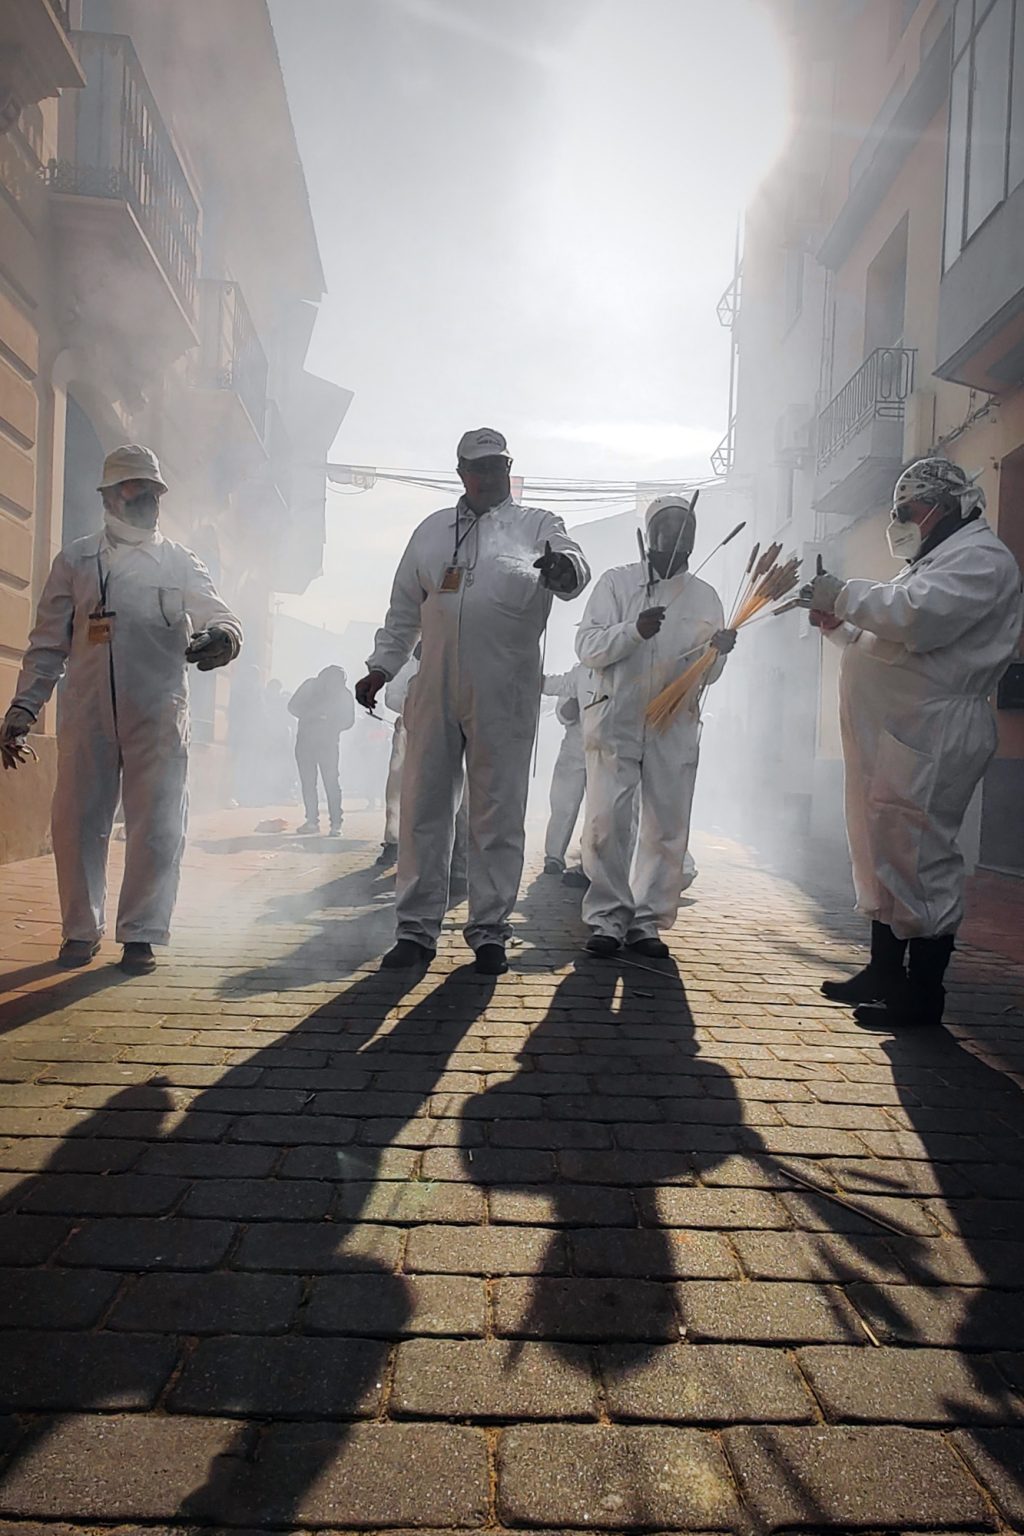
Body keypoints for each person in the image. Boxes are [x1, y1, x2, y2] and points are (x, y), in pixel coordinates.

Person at [356, 427, 590, 975]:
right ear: (460, 471)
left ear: (510, 469)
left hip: (504, 692)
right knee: (422, 809)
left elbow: (574, 565)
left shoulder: (539, 526)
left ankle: (489, 931)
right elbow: (403, 612)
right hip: (434, 687)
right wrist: (381, 666)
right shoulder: (432, 532)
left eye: (498, 466)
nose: (489, 477)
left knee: (497, 814)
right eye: (478, 468)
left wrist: (564, 570)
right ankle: (415, 932)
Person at [0, 445, 242, 972]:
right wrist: (22, 709)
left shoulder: (179, 560)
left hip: (157, 712)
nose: (144, 499)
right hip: (86, 713)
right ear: (108, 496)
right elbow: (47, 644)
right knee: (76, 822)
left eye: (151, 490)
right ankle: (79, 931)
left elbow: (214, 610)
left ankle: (141, 933)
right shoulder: (76, 560)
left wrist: (224, 635)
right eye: (131, 489)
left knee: (156, 823)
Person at [807, 458, 1023, 1027]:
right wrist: (840, 628)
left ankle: (923, 996)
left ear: (943, 507)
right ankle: (884, 972)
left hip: (936, 729)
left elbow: (916, 619)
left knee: (921, 857)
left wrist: (845, 594)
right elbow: (887, 642)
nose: (898, 522)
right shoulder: (932, 561)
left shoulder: (981, 559)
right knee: (884, 850)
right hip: (899, 729)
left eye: (906, 511)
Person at [576, 493, 735, 958]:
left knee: (666, 824)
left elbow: (706, 673)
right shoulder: (616, 583)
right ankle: (607, 917)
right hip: (616, 717)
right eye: (667, 528)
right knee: (607, 822)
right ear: (649, 536)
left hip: (674, 723)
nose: (677, 537)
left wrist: (718, 652)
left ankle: (648, 920)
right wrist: (633, 631)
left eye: (686, 528)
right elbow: (587, 647)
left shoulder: (706, 596)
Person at [288, 665, 355, 836]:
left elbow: (349, 721)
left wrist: (331, 723)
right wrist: (312, 715)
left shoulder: (344, 694)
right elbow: (292, 706)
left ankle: (335, 824)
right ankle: (312, 821)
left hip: (328, 744)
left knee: (331, 783)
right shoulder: (310, 686)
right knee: (308, 783)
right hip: (305, 742)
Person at [541, 665, 589, 881]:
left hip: (609, 748)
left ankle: (589, 862)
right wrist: (574, 704)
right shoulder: (579, 672)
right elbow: (564, 712)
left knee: (600, 811)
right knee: (563, 804)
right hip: (575, 746)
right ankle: (554, 856)